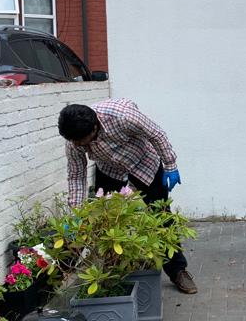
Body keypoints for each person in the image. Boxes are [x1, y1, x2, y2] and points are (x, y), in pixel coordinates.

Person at [57, 99, 197, 294]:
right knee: (107, 220)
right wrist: (76, 214)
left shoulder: (122, 116)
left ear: (95, 126)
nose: (79, 145)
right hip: (109, 170)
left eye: (83, 142)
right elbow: (76, 177)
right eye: (75, 142)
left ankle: (178, 271)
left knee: (161, 217)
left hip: (143, 162)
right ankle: (113, 272)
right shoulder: (74, 141)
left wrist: (170, 165)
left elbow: (156, 134)